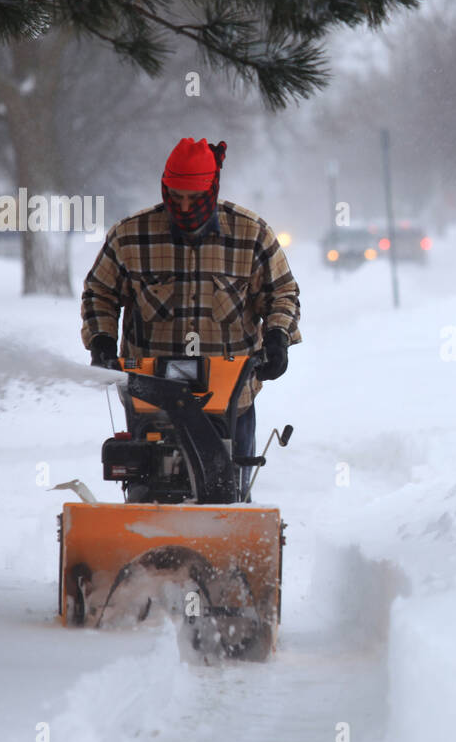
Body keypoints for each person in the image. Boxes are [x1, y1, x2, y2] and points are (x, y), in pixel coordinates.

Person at [80, 137, 301, 495]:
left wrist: (278, 340)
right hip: (151, 396)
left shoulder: (251, 235)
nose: (183, 207)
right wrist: (102, 342)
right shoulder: (131, 237)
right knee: (150, 493)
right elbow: (99, 294)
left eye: (193, 199)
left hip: (231, 399)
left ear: (212, 190)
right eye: (175, 196)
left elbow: (282, 294)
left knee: (227, 496)